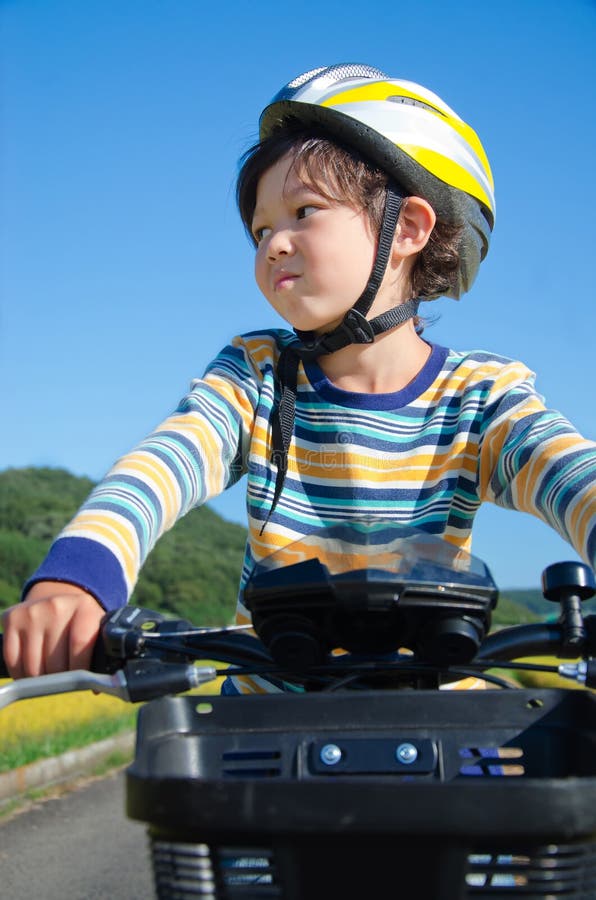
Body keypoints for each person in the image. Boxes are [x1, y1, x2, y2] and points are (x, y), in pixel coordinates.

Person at [3, 63, 596, 690]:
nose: (272, 244)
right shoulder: (256, 376)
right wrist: (76, 577)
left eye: (303, 211)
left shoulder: (480, 397)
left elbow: (570, 473)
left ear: (411, 229)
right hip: (263, 719)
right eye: (261, 229)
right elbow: (162, 465)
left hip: (443, 717)